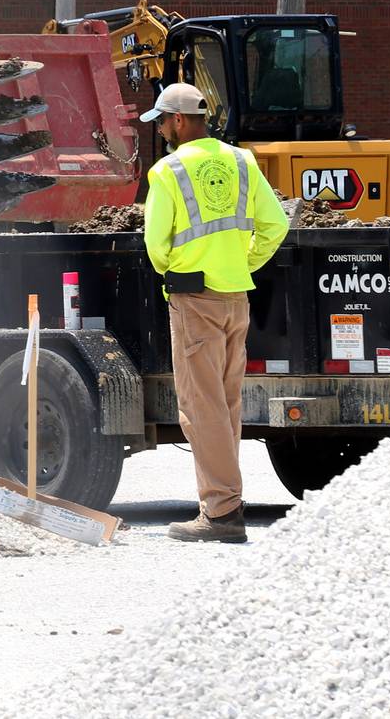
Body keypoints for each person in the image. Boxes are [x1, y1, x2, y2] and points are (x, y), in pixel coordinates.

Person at [141, 81, 288, 543]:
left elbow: (155, 245)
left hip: (194, 300)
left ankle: (222, 513)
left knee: (200, 408)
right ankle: (223, 503)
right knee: (224, 407)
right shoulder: (243, 162)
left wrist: (178, 272)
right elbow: (277, 223)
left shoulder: (168, 171)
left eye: (162, 121)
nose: (162, 129)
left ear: (179, 121)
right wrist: (244, 263)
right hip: (234, 298)